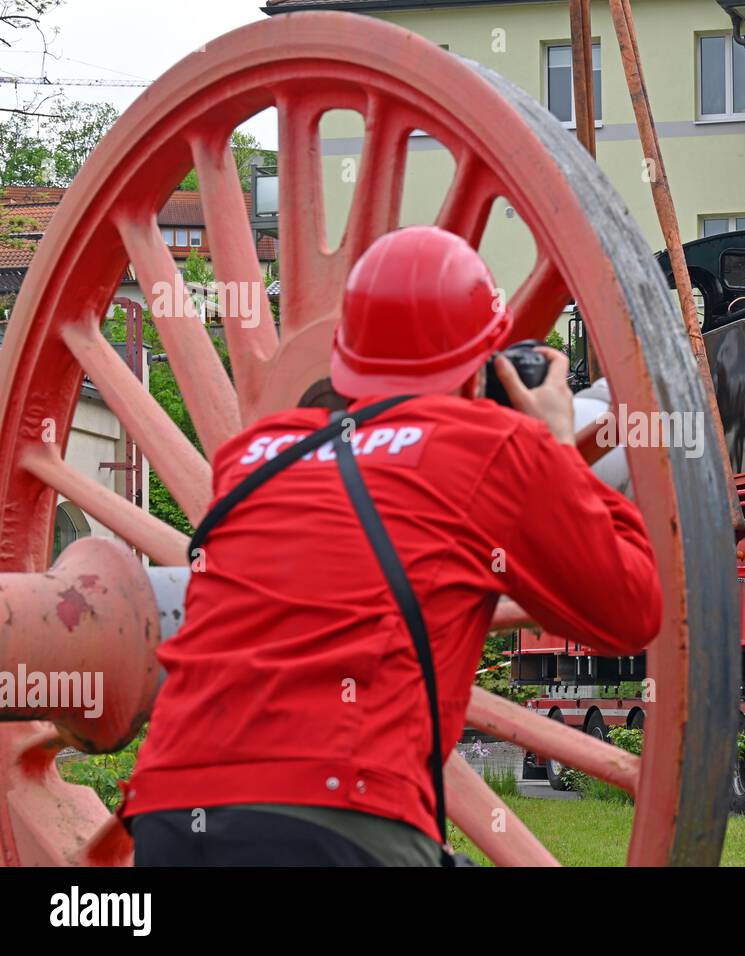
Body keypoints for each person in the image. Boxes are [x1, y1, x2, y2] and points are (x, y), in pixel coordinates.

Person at [122, 225, 663, 866]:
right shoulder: (493, 450)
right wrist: (549, 442)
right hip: (341, 821)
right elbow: (630, 610)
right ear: (486, 369)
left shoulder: (255, 455)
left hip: (172, 812)